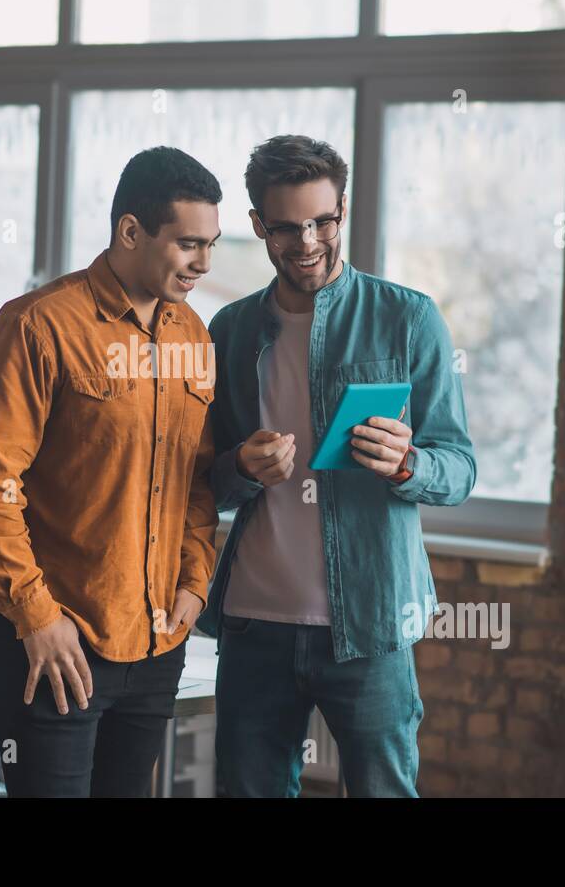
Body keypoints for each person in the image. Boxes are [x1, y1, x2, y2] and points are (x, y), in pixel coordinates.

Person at [196, 134, 476, 797]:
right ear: (259, 226)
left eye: (322, 221)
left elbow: (459, 467)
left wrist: (409, 465)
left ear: (342, 211)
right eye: (288, 227)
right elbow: (203, 482)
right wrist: (240, 465)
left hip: (370, 624)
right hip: (254, 623)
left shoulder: (408, 320)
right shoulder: (229, 332)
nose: (308, 242)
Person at [0, 146, 222, 796]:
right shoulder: (39, 326)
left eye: (212, 245)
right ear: (131, 232)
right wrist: (36, 615)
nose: (204, 265)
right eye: (188, 244)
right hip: (54, 646)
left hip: (158, 649)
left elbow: (196, 480)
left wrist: (196, 579)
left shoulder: (194, 337)